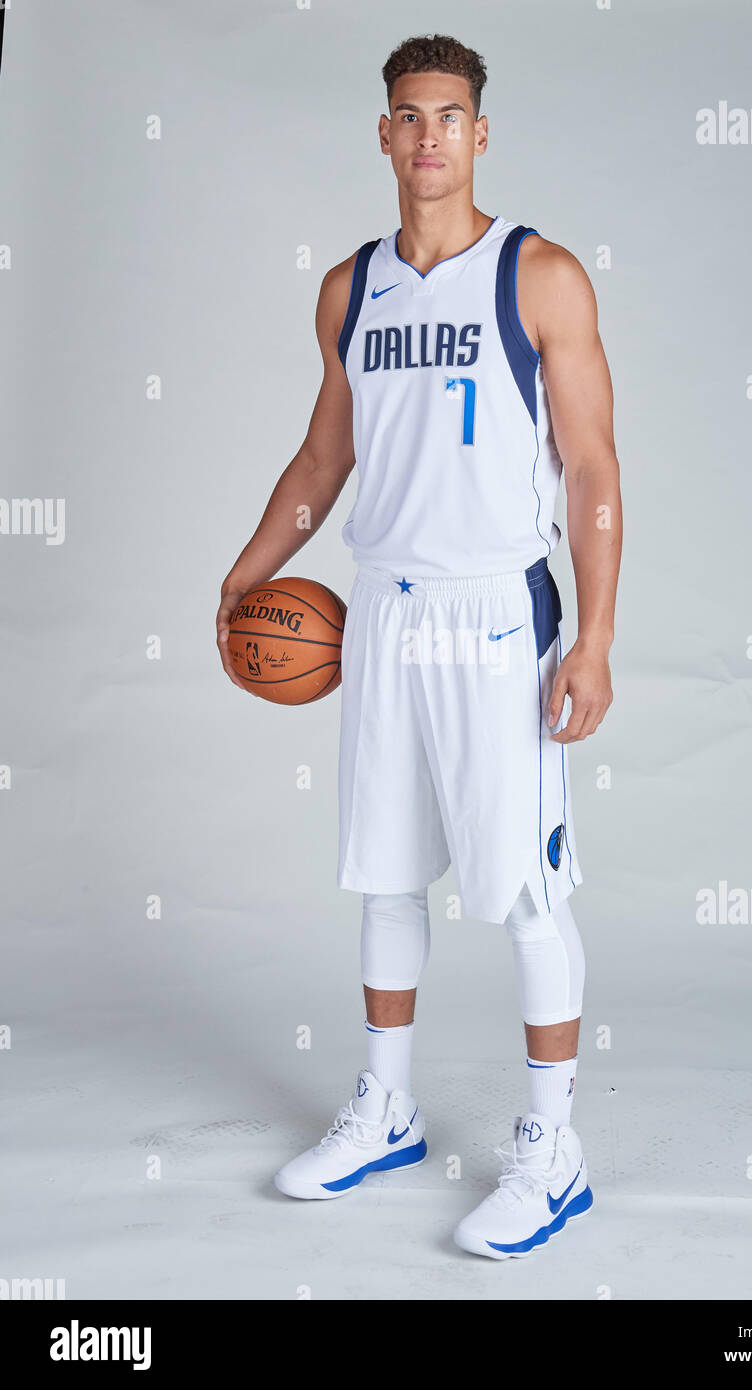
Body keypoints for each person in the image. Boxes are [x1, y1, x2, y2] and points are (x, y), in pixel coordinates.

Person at [217, 33, 622, 1260]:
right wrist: (250, 570)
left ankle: (553, 1149)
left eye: (451, 114)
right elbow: (322, 458)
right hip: (385, 608)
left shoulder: (539, 274)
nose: (431, 134)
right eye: (409, 115)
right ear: (384, 136)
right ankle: (386, 1107)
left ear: (480, 133)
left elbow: (595, 464)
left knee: (525, 886)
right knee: (387, 874)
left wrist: (594, 636)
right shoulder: (350, 289)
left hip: (500, 609)